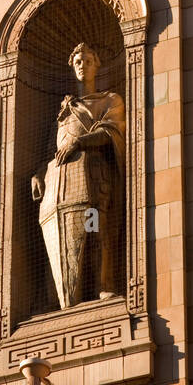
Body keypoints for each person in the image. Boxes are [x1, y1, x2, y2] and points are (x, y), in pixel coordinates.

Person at [32, 42, 125, 306]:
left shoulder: (109, 100)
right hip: (62, 183)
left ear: (98, 64)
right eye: (78, 62)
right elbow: (53, 151)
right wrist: (39, 174)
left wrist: (80, 143)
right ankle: (60, 297)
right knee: (62, 235)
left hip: (95, 175)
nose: (82, 66)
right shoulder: (64, 111)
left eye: (88, 61)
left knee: (98, 230)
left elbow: (112, 131)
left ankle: (103, 286)